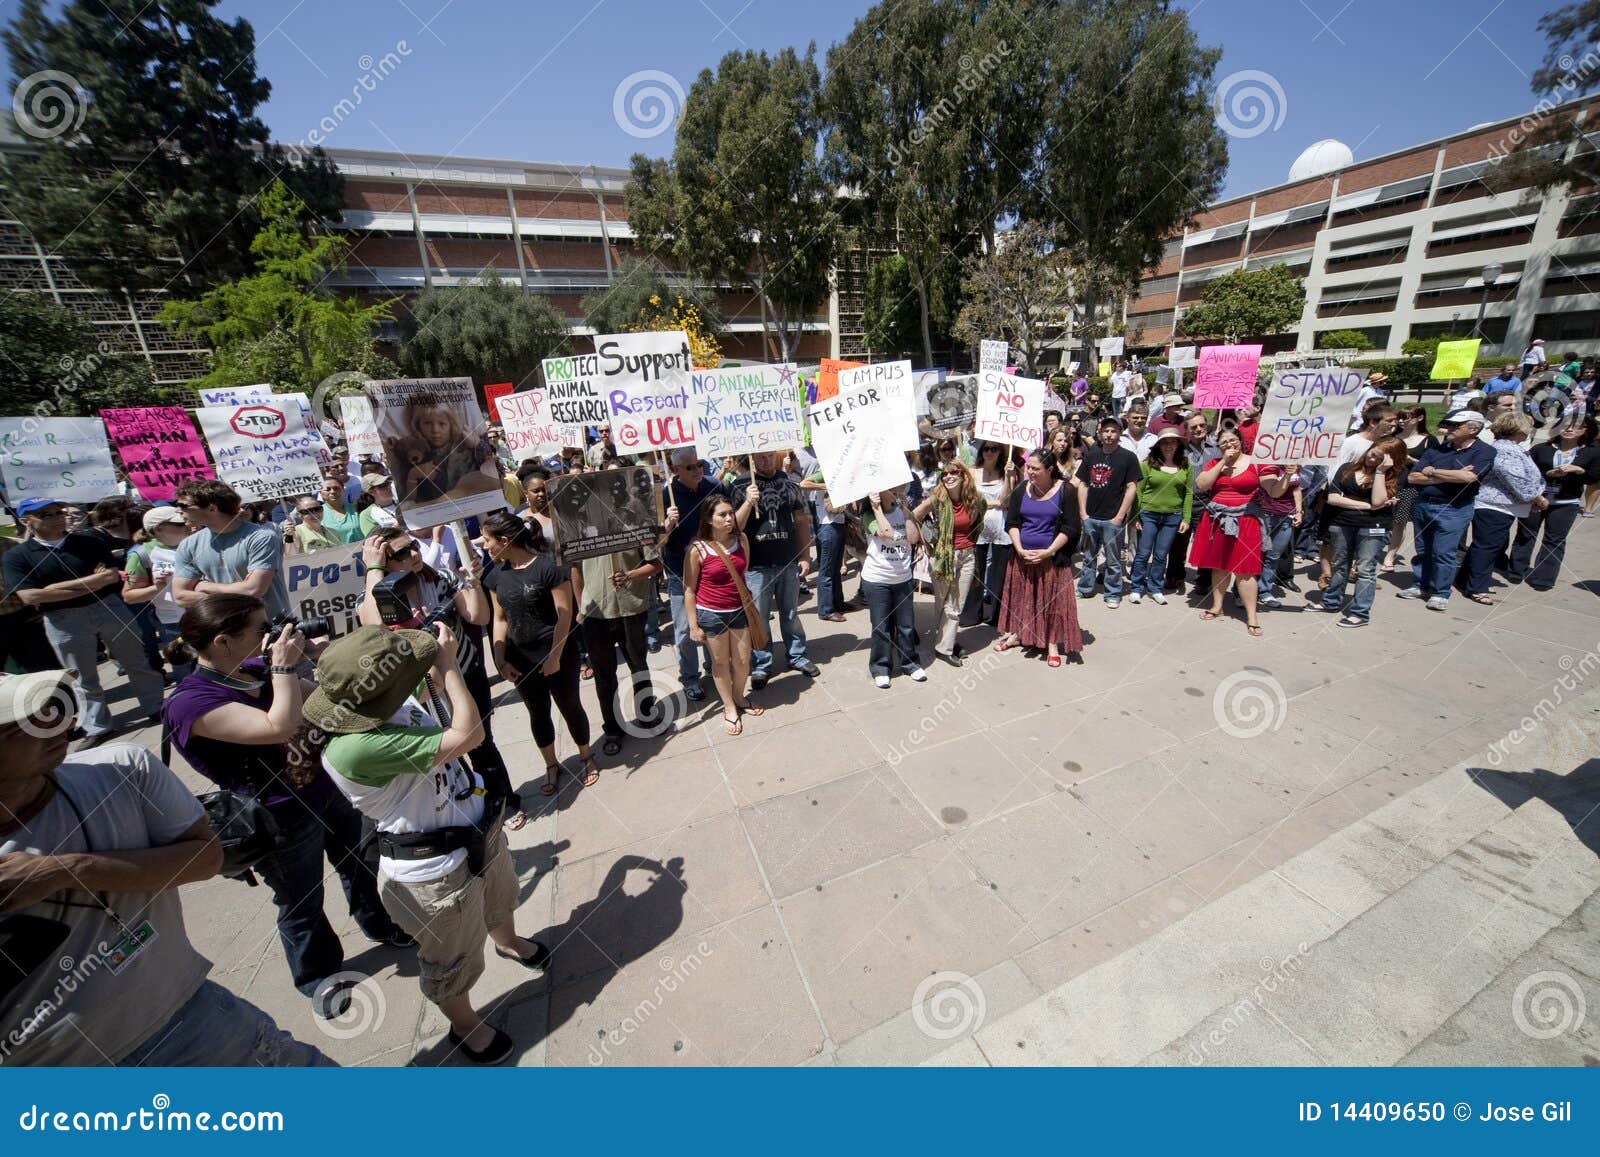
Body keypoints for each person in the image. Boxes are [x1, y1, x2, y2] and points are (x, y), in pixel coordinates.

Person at [0, 669, 329, 1065]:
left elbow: (206, 857)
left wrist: (71, 870)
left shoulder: (122, 769)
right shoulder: (188, 703)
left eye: (48, 706)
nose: (54, 721)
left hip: (195, 1026)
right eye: (22, 720)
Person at [306, 624, 547, 1066]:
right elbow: (469, 735)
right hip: (434, 870)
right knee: (451, 959)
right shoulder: (354, 746)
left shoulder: (380, 704)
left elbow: (420, 674)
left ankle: (509, 941)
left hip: (473, 830)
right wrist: (450, 666)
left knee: (500, 897)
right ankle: (464, 1023)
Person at [162, 595, 410, 1017]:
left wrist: (318, 660)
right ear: (223, 642)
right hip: (278, 815)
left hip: (326, 790)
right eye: (261, 630)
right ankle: (319, 978)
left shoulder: (252, 670)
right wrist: (281, 668)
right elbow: (279, 727)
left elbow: (327, 706)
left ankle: (380, 924)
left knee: (360, 863)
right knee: (301, 901)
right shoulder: (190, 702)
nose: (271, 635)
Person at [356, 525, 517, 826]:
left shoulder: (440, 577)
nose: (414, 554)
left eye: (413, 546)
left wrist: (472, 582)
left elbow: (478, 617)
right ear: (382, 562)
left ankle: (503, 800)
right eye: (401, 553)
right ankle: (466, 807)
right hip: (421, 690)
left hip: (464, 673)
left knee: (482, 743)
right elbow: (372, 628)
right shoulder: (373, 597)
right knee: (445, 752)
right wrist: (373, 570)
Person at [1, 498, 165, 741]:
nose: (57, 516)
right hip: (62, 618)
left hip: (107, 607)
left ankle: (157, 708)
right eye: (46, 514)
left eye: (58, 511)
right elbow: (29, 595)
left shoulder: (88, 541)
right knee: (81, 676)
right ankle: (98, 727)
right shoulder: (18, 556)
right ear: (26, 521)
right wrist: (90, 582)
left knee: (136, 660)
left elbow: (110, 576)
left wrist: (54, 589)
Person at [480, 510, 598, 796]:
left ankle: (586, 755)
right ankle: (551, 764)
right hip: (520, 660)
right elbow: (500, 619)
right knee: (537, 712)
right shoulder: (495, 577)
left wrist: (555, 657)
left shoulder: (549, 568)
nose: (485, 547)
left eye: (487, 541)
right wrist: (500, 658)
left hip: (558, 654)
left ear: (505, 540)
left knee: (570, 705)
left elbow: (565, 614)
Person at [730, 451, 819, 688]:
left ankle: (797, 654)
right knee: (758, 619)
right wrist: (748, 502)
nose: (765, 461)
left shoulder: (788, 483)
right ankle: (761, 663)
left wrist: (805, 556)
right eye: (760, 457)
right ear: (751, 459)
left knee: (790, 614)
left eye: (769, 456)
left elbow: (800, 520)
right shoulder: (740, 485)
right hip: (755, 566)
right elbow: (733, 527)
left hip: (786, 561)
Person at [683, 497, 766, 734]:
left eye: (731, 513)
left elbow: (743, 570)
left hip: (739, 610)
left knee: (742, 661)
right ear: (709, 519)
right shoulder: (697, 550)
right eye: (722, 515)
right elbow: (689, 590)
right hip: (711, 614)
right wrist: (693, 625)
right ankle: (729, 707)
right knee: (720, 663)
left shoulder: (742, 539)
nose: (729, 518)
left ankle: (739, 697)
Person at [573, 535, 662, 756]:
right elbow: (575, 569)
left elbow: (656, 565)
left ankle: (646, 714)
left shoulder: (635, 526)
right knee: (604, 675)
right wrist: (581, 606)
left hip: (631, 610)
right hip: (595, 614)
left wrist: (630, 575)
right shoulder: (579, 531)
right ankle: (612, 728)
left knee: (638, 666)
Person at [1400, 411, 1498, 611]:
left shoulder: (1484, 451)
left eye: (1456, 425)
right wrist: (1453, 475)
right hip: (1424, 504)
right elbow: (1413, 477)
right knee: (1423, 549)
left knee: (1444, 552)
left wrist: (1432, 471)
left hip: (1454, 508)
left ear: (1473, 429)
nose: (1449, 429)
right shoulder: (1439, 448)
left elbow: (1470, 478)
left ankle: (1440, 592)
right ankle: (1421, 584)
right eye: (1449, 424)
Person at [994, 448, 1083, 666]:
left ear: (1050, 469)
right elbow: (1012, 523)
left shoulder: (1066, 490)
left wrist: (1049, 551)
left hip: (1052, 558)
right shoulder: (1022, 489)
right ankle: (1017, 634)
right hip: (1022, 556)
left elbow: (1072, 527)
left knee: (1051, 602)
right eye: (1028, 467)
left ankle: (1052, 643)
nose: (1030, 472)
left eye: (1036, 469)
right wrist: (1020, 548)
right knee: (1022, 598)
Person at [660, 450, 731, 702]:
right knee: (684, 629)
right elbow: (655, 543)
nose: (697, 470)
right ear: (676, 470)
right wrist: (667, 525)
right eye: (690, 467)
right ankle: (690, 678)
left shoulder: (714, 486)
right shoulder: (664, 494)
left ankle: (714, 667)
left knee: (713, 624)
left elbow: (729, 520)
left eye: (699, 464)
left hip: (711, 571)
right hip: (680, 573)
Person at [169, 479, 292, 620]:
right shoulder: (189, 544)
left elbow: (254, 589)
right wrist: (239, 589)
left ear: (212, 508)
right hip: (224, 629)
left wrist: (205, 586)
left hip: (270, 627)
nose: (178, 511)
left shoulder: (262, 537)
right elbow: (180, 597)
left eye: (183, 506)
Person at [1458, 413, 1544, 605]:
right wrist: (1535, 497)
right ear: (1518, 429)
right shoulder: (1506, 450)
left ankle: (1464, 580)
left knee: (1482, 545)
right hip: (1495, 506)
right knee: (1488, 547)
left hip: (1501, 505)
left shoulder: (1510, 448)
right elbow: (1513, 477)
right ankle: (1477, 587)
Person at [1508, 416, 1600, 590]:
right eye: (1565, 425)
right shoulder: (1541, 449)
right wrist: (1546, 474)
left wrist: (1580, 471)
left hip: (1566, 501)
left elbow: (1594, 477)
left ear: (1586, 431)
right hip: (1537, 498)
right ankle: (1516, 571)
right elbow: (1526, 473)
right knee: (1526, 534)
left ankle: (1544, 579)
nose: (1569, 429)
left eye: (1576, 426)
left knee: (1554, 540)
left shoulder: (1592, 452)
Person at [1320, 439, 1403, 627]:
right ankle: (1331, 602)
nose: (1371, 458)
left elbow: (1378, 500)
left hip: (1373, 527)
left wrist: (1380, 472)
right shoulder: (1347, 468)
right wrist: (1367, 506)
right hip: (1343, 523)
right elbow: (1333, 498)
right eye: (1370, 452)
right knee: (1340, 564)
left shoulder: (1394, 475)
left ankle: (1360, 613)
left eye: (1378, 457)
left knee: (1365, 569)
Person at [1191, 429, 1265, 636]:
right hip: (1218, 519)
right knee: (1219, 565)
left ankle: (1252, 616)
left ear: (1241, 441)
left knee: (1246, 570)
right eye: (1223, 442)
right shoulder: (1215, 463)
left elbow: (1273, 490)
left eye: (1232, 440)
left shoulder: (1255, 462)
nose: (1228, 444)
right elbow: (1202, 485)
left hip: (1246, 519)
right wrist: (1223, 461)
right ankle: (1217, 605)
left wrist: (1286, 475)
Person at [910, 460, 985, 666]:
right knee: (943, 603)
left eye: (954, 473)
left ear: (964, 476)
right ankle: (945, 641)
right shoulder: (938, 500)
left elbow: (981, 519)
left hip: (968, 555)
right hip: (944, 557)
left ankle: (945, 645)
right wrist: (925, 542)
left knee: (956, 604)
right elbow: (915, 515)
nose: (948, 477)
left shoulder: (975, 500)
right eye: (945, 474)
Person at [854, 487, 925, 689]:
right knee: (881, 627)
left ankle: (910, 663)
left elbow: (912, 537)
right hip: (878, 579)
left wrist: (906, 511)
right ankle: (880, 667)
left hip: (902, 578)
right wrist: (876, 509)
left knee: (906, 625)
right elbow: (887, 534)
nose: (896, 490)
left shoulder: (901, 509)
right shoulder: (868, 515)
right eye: (890, 488)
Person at [1075, 417, 1140, 608]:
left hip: (1113, 518)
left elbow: (1131, 488)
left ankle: (1112, 592)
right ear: (1100, 433)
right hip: (1090, 516)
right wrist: (1083, 513)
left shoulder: (1128, 457)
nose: (1109, 435)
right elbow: (1083, 484)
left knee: (1113, 560)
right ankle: (1085, 588)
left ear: (1120, 433)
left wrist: (1120, 516)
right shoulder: (1091, 455)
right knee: (1088, 556)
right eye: (1106, 431)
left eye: (1113, 431)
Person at [122, 506, 193, 676]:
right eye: (179, 524)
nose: (187, 526)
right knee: (187, 672)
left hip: (207, 614)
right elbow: (129, 596)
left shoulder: (196, 543)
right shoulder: (140, 556)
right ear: (158, 529)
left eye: (186, 521)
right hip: (174, 624)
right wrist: (157, 588)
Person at [1128, 429, 1192, 605]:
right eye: (1165, 442)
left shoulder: (1186, 465)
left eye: (1173, 441)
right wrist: (1135, 517)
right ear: (1158, 445)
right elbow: (1138, 492)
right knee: (1143, 553)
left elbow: (1188, 494)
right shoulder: (1147, 464)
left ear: (1178, 444)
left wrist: (1186, 518)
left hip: (1173, 517)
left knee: (1161, 554)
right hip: (1148, 515)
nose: (1169, 445)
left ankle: (1156, 587)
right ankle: (1136, 587)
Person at [961, 441, 1018, 627]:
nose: (989, 452)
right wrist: (993, 503)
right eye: (986, 448)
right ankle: (971, 614)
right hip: (977, 528)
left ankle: (996, 616)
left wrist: (1010, 479)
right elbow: (969, 499)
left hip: (1001, 529)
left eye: (994, 449)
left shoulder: (1008, 473)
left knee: (999, 574)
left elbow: (1008, 501)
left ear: (1001, 452)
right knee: (974, 572)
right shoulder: (971, 471)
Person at [1168, 412, 1220, 600]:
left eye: (1201, 425)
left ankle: (1203, 580)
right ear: (1187, 430)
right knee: (1178, 542)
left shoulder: (1217, 449)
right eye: (1194, 427)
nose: (1198, 429)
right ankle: (1175, 575)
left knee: (1205, 542)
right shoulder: (1180, 451)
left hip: (1208, 501)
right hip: (1183, 501)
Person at [1381, 406, 1433, 573]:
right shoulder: (1392, 437)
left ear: (1419, 418)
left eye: (1407, 418)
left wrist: (1412, 460)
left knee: (1399, 521)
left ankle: (1390, 556)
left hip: (1410, 486)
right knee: (1381, 518)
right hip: (1388, 482)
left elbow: (1433, 466)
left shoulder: (1428, 440)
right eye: (1400, 418)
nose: (1402, 421)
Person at [1254, 461, 1301, 609]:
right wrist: (1287, 475)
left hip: (1286, 518)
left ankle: (1264, 591)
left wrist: (1299, 511)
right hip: (1265, 515)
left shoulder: (1293, 464)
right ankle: (1241, 591)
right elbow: (1274, 492)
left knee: (1273, 557)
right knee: (1256, 555)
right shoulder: (1266, 465)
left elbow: (1296, 489)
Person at [316, 473, 365, 544]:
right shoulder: (317, 514)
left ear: (343, 490)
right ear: (320, 492)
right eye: (327, 489)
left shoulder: (357, 508)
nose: (332, 491)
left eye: (336, 488)